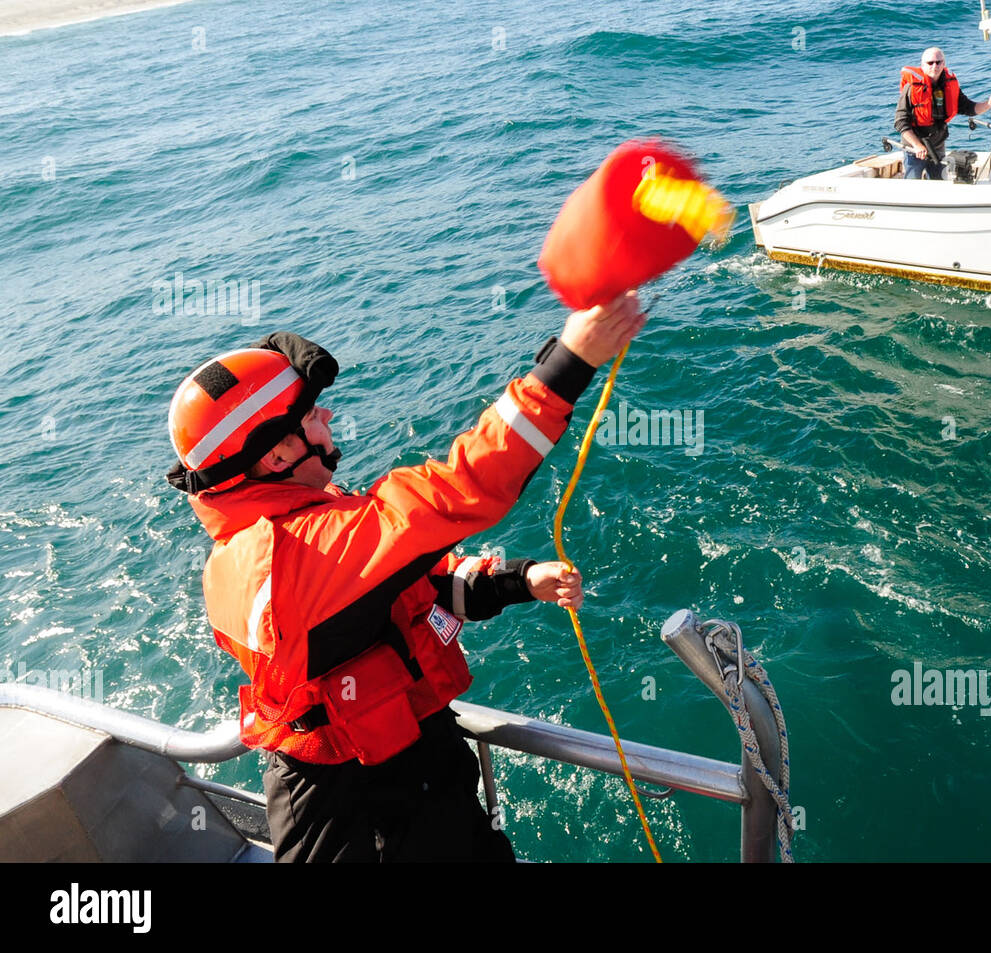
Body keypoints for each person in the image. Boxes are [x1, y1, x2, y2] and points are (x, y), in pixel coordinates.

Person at [165, 292, 646, 861]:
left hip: (404, 775)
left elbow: (408, 589)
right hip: (373, 814)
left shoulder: (281, 537)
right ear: (276, 455)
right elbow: (462, 487)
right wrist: (572, 358)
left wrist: (518, 581)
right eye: (312, 413)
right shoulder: (305, 557)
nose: (329, 416)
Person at [895, 47, 991, 180]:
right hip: (915, 149)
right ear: (922, 65)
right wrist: (917, 145)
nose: (935, 66)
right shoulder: (911, 88)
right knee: (913, 183)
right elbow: (900, 122)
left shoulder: (950, 84)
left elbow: (969, 107)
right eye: (930, 63)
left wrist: (989, 104)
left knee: (939, 182)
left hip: (937, 146)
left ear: (944, 64)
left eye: (938, 62)